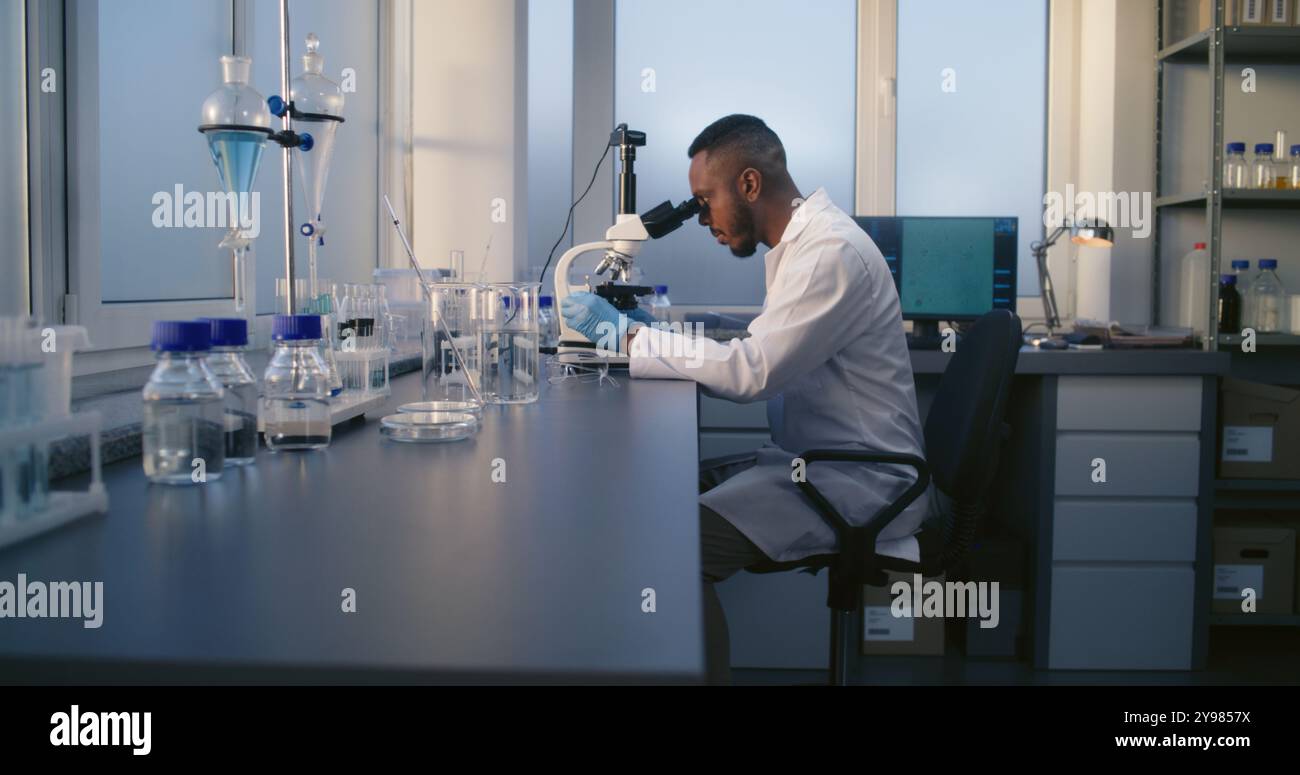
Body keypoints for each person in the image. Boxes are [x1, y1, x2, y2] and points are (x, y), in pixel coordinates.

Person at [561, 114, 933, 685]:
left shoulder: (830, 252)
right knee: (663, 498)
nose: (701, 218)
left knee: (676, 548)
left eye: (704, 200)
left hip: (860, 480)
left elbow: (751, 372)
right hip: (817, 463)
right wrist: (676, 329)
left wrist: (629, 336)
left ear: (750, 184)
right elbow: (774, 337)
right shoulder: (806, 244)